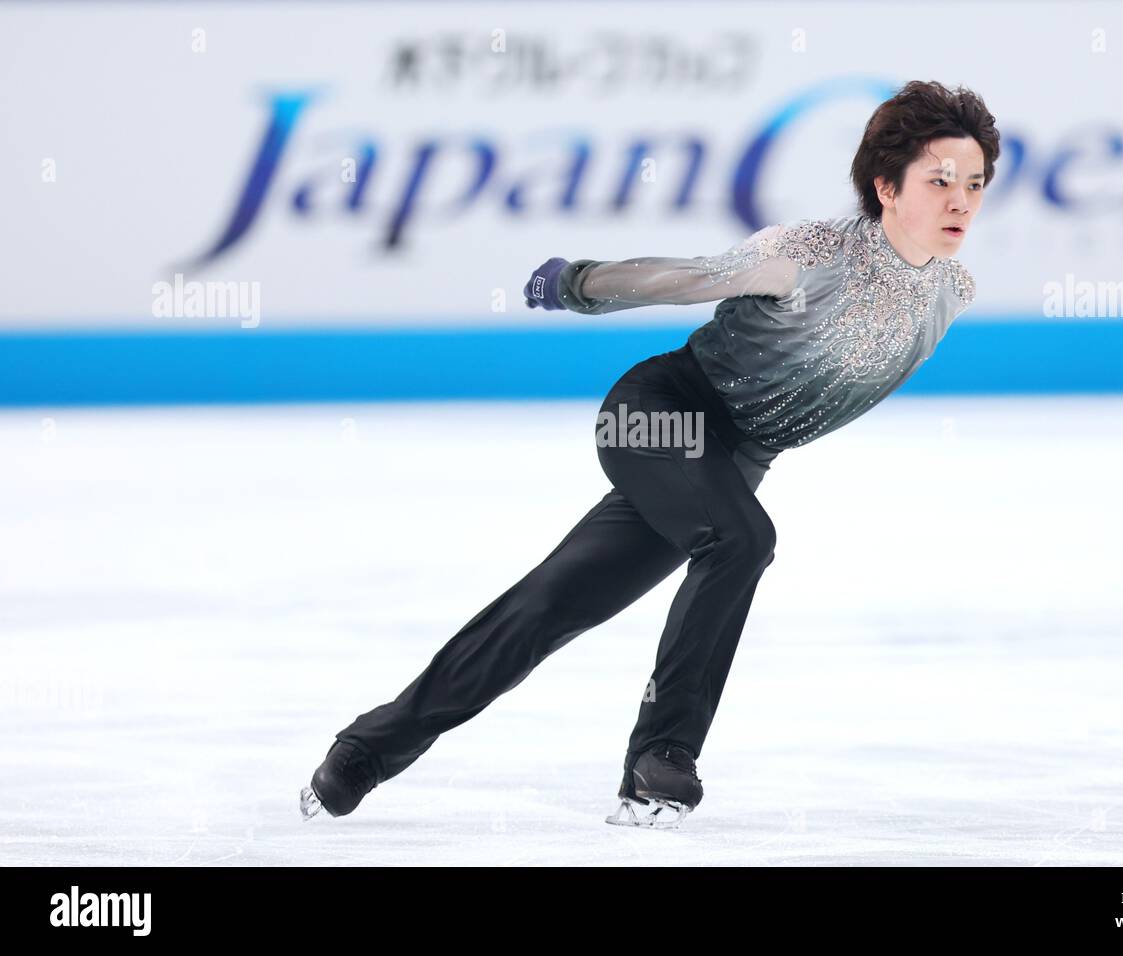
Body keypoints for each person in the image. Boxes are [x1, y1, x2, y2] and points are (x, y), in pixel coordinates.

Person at [301, 79, 999, 828]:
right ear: (885, 187)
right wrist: (579, 283)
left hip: (726, 466)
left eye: (975, 184)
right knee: (744, 540)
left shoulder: (950, 293)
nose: (961, 200)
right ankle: (662, 758)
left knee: (550, 605)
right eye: (939, 181)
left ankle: (364, 753)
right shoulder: (813, 252)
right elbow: (689, 278)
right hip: (656, 416)